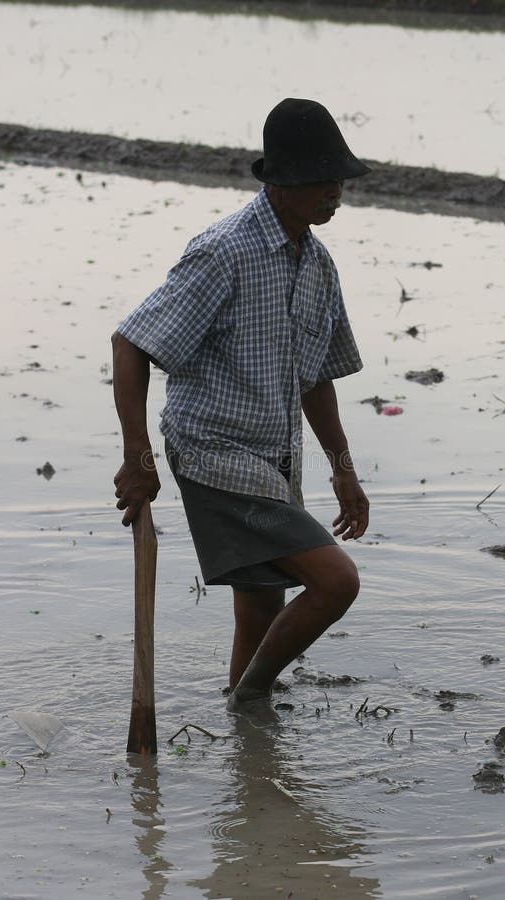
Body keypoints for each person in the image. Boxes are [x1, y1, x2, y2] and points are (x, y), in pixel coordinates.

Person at [112, 98, 371, 714]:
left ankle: (248, 739)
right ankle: (250, 696)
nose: (334, 191)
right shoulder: (224, 252)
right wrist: (137, 455)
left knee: (261, 607)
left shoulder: (318, 263)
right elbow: (131, 342)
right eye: (320, 179)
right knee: (336, 581)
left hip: (276, 458)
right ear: (279, 181)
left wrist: (342, 466)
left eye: (339, 179)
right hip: (216, 453)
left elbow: (317, 378)